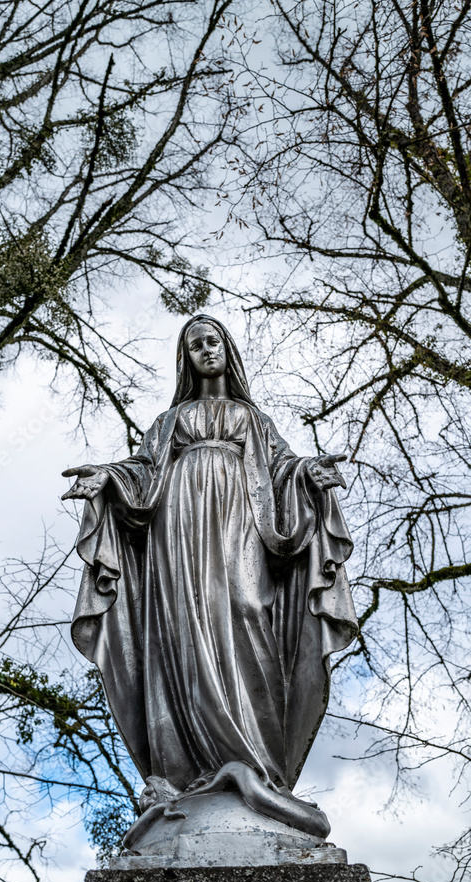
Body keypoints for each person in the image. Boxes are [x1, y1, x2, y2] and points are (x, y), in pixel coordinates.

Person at [63, 315, 357, 823]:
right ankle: (185, 769)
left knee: (245, 608)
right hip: (177, 531)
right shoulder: (170, 422)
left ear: (227, 349)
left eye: (212, 340)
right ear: (187, 359)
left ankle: (259, 765)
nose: (205, 349)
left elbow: (283, 468)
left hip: (240, 524)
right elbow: (144, 470)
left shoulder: (252, 419)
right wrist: (107, 476)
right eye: (194, 344)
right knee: (181, 632)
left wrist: (310, 472)